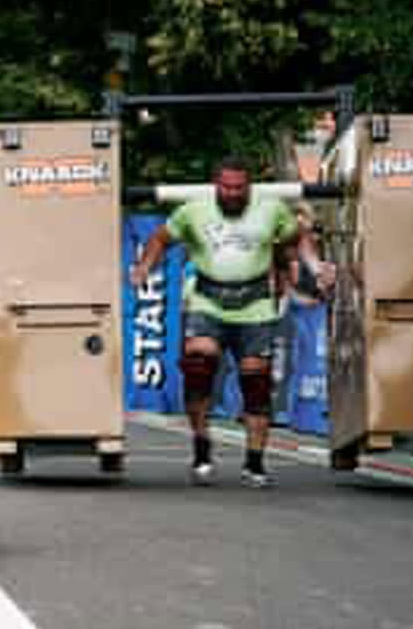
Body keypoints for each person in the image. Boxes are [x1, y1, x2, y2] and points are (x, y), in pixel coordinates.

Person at [130, 158, 325, 488]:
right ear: (216, 185)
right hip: (208, 300)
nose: (233, 194)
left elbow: (299, 237)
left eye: (239, 188)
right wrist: (144, 267)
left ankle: (255, 461)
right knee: (198, 366)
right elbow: (160, 238)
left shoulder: (271, 209)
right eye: (226, 187)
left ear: (249, 186)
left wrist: (316, 266)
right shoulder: (194, 210)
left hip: (255, 305)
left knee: (256, 383)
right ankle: (201, 447)